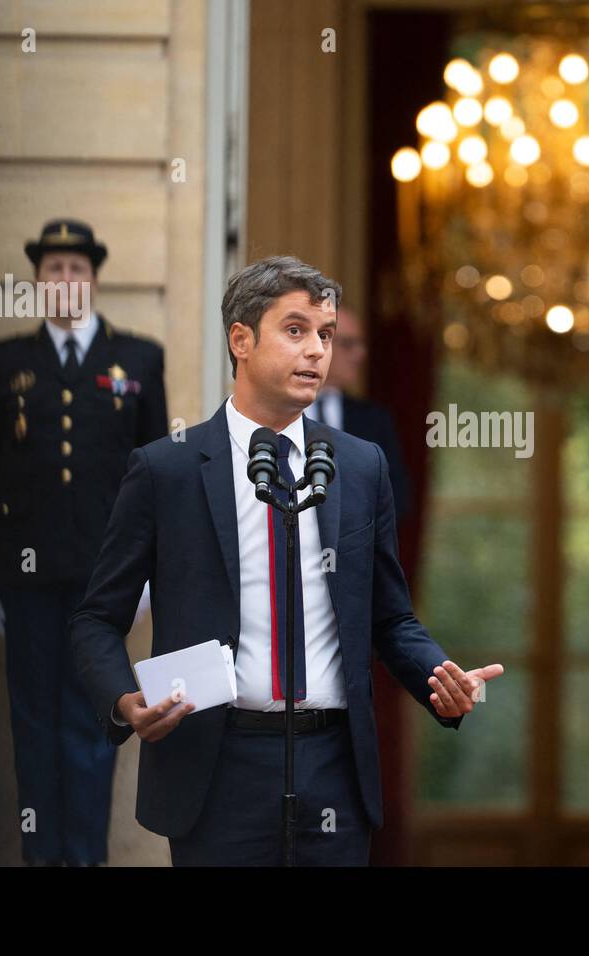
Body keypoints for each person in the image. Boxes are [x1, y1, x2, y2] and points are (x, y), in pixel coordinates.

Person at [70, 255, 503, 866]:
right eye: (296, 330)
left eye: (325, 336)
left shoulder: (359, 465)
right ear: (240, 340)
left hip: (334, 770)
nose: (316, 352)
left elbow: (390, 618)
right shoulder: (165, 469)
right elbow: (95, 619)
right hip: (216, 771)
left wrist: (439, 677)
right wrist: (124, 701)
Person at [0, 218, 169, 865]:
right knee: (33, 725)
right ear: (37, 282)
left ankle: (84, 858)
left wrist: (149, 575)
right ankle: (40, 857)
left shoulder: (137, 358)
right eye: (54, 269)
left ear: (94, 279)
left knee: (94, 721)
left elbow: (153, 472)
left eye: (76, 269)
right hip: (25, 576)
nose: (65, 280)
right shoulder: (8, 361)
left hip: (103, 580)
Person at [304, 307, 412, 527]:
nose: (360, 354)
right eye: (348, 343)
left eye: (361, 344)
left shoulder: (374, 419)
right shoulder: (279, 412)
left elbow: (398, 497)